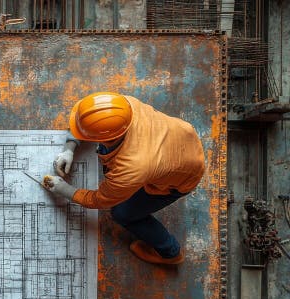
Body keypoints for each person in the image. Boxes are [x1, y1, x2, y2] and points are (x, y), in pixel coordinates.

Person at [44, 92, 205, 265]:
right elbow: (86, 120)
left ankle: (170, 253)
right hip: (181, 137)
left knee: (122, 213)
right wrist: (69, 147)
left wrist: (64, 189)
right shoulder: (121, 106)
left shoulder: (130, 168)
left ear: (104, 138)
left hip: (182, 177)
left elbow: (100, 200)